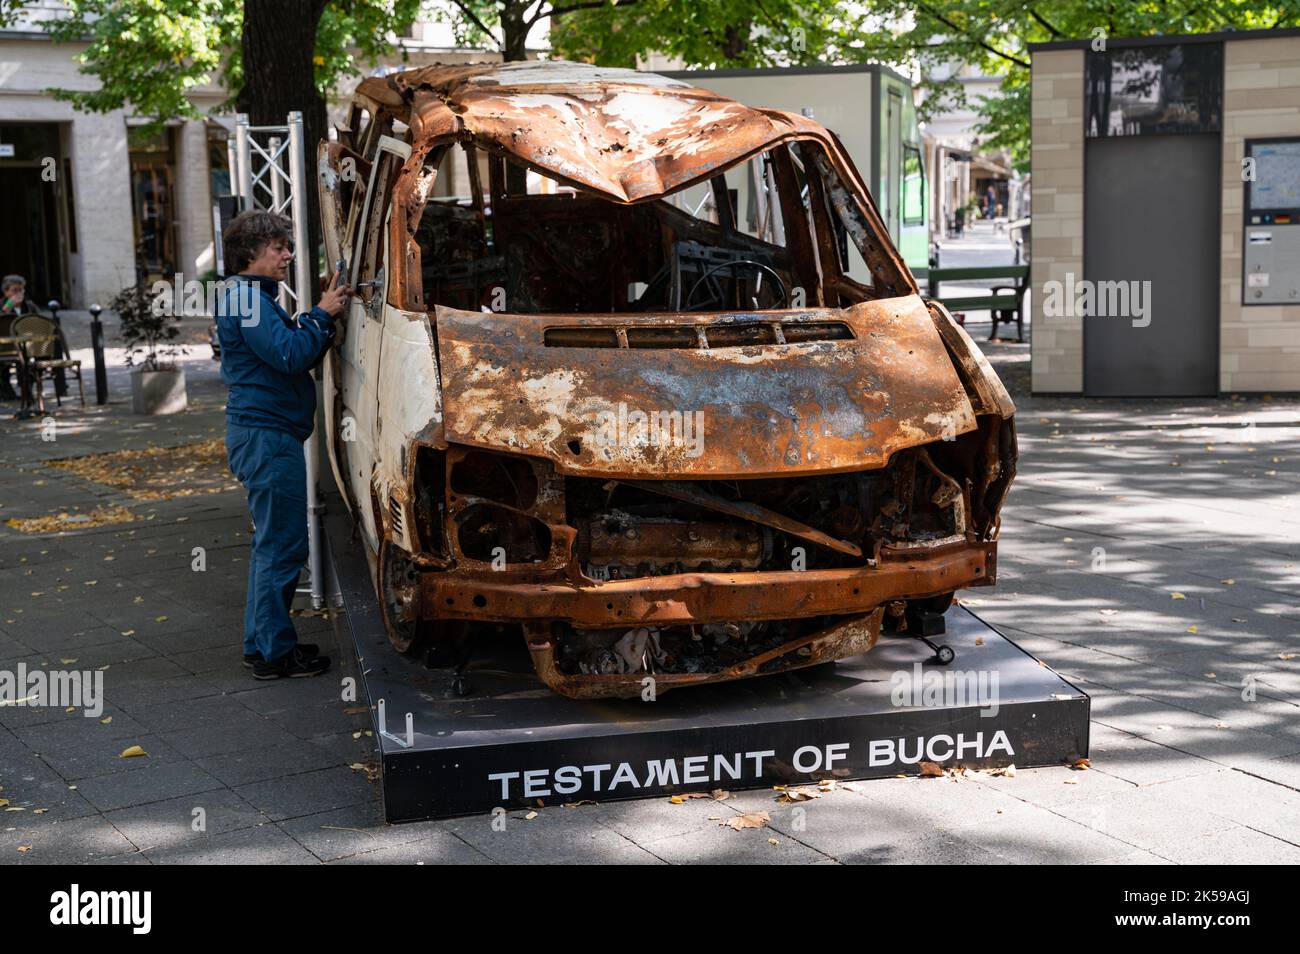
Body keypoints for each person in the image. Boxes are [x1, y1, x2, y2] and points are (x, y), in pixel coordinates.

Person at [216, 211, 352, 679]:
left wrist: (316, 320)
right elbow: (291, 355)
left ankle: (263, 646)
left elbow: (287, 348)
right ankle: (274, 654)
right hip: (267, 438)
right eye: (278, 247)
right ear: (250, 254)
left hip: (264, 435)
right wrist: (322, 314)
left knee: (271, 545)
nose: (288, 255)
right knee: (282, 547)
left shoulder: (248, 297)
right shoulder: (246, 300)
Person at [1, 274, 35, 401]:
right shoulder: (2, 306)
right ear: (6, 292)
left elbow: (39, 323)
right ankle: (6, 391)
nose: (19, 294)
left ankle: (27, 391)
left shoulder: (29, 306)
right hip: (4, 348)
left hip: (27, 347)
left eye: (21, 290)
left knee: (26, 365)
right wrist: (6, 309)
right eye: (15, 290)